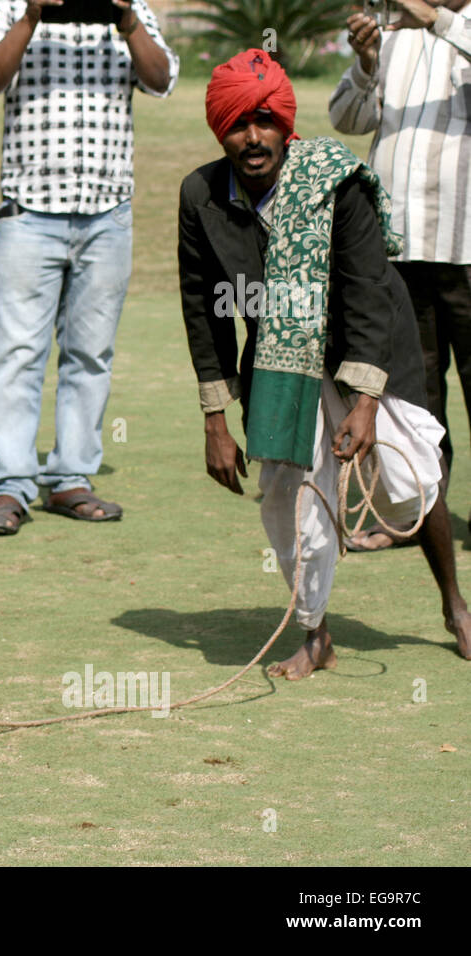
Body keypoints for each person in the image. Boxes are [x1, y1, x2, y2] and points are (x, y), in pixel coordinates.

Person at [179, 49, 471, 679]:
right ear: (219, 130)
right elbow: (202, 308)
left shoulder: (336, 180)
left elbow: (368, 288)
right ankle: (316, 633)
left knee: (413, 478)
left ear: (286, 123)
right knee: (287, 495)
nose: (252, 137)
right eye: (237, 123)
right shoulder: (201, 196)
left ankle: (454, 604)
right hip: (280, 362)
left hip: (367, 343)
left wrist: (365, 403)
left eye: (265, 120)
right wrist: (214, 420)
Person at [0, 0, 177, 534]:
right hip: (27, 213)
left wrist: (127, 20)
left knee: (90, 352)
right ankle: (10, 483)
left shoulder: (129, 6)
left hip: (107, 214)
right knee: (16, 353)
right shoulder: (12, 3)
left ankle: (70, 477)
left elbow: (162, 79)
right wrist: (32, 17)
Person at [329, 0, 471, 551]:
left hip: (465, 247)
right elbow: (346, 118)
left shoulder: (447, 26)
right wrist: (367, 63)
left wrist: (436, 19)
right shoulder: (395, 36)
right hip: (401, 250)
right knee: (415, 396)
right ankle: (415, 516)